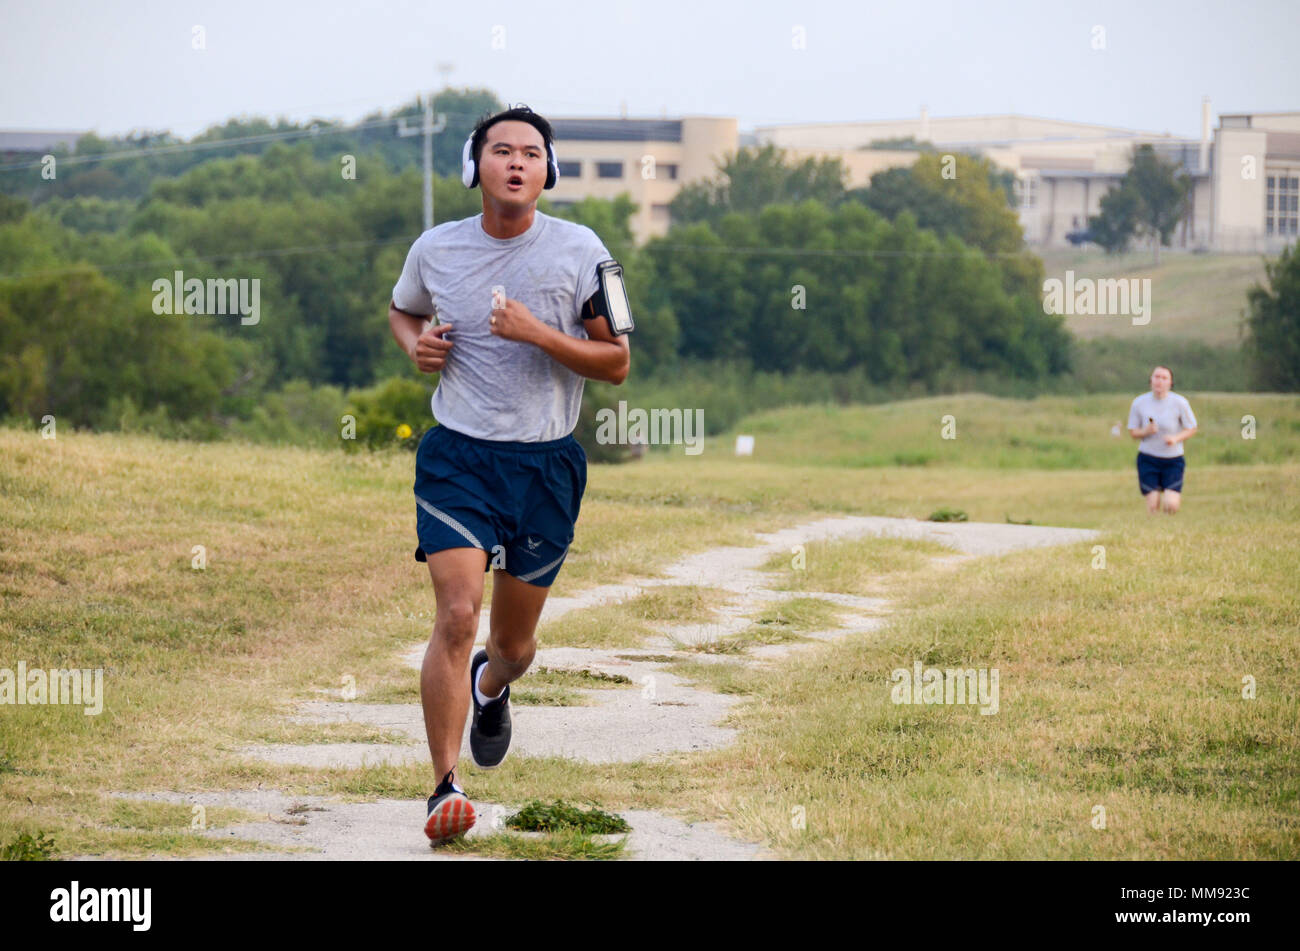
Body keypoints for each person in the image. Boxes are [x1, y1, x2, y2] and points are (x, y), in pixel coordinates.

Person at [386, 105, 631, 844]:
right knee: (456, 614)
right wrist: (417, 344)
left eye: (531, 152)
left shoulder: (583, 251)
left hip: (546, 465)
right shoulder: (436, 249)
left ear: (547, 171)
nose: (517, 162)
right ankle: (442, 789)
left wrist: (536, 332)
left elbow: (617, 361)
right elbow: (401, 312)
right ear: (475, 167)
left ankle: (491, 687)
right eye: (502, 151)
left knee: (514, 645)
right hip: (459, 455)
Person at [1127, 365, 1197, 514]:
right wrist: (1145, 431)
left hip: (1173, 459)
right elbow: (1133, 432)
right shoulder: (1139, 403)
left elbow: (1191, 428)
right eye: (1156, 377)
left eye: (1164, 378)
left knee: (1171, 505)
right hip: (1148, 458)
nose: (1159, 381)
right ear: (1150, 380)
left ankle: (1168, 532)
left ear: (1170, 383)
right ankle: (1153, 532)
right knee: (1153, 504)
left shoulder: (1180, 403)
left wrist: (1175, 438)